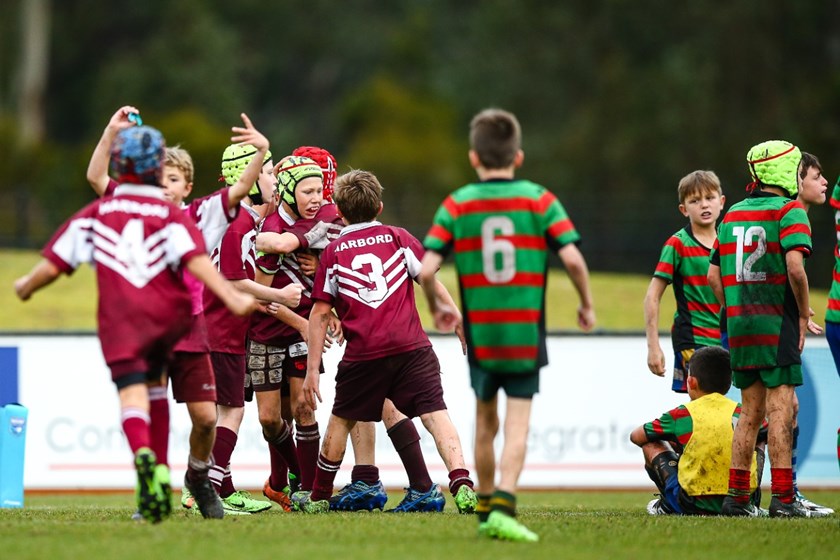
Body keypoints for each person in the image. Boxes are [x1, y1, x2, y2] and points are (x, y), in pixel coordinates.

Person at [14, 125, 257, 523]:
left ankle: (164, 469)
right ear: (153, 170)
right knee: (161, 401)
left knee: (150, 404)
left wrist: (26, 284)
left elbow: (59, 260)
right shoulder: (168, 217)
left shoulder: (99, 212)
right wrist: (230, 296)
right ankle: (155, 481)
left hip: (128, 327)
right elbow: (195, 259)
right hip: (172, 322)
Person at [87, 108, 293, 517]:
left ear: (188, 187)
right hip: (165, 329)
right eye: (159, 178)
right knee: (169, 406)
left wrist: (261, 153)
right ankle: (170, 488)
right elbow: (96, 179)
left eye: (174, 180)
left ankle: (200, 480)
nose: (165, 188)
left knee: (203, 416)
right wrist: (111, 132)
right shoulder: (135, 208)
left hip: (194, 328)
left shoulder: (202, 214)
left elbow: (238, 191)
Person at [420, 108, 595, 542]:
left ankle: (483, 508)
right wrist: (586, 304)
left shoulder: (457, 203)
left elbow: (425, 270)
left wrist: (437, 308)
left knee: (484, 422)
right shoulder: (540, 199)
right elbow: (572, 258)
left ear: (473, 158)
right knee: (517, 423)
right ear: (518, 157)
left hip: (481, 332)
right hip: (523, 332)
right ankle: (505, 506)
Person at [292, 169, 478, 516]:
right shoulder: (399, 237)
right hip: (412, 347)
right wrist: (457, 318)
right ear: (379, 206)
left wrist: (312, 373)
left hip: (365, 354)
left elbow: (319, 314)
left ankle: (317, 497)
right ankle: (462, 482)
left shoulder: (333, 253)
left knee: (340, 421)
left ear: (340, 212)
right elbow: (429, 281)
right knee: (436, 415)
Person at [180, 143, 304, 515]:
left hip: (220, 329)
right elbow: (233, 280)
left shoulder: (238, 219)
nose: (274, 180)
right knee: (230, 412)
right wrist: (279, 294)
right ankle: (203, 486)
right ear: (248, 181)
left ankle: (221, 486)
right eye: (267, 173)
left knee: (220, 413)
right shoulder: (239, 224)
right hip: (221, 331)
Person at [708, 140, 814, 518]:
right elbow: (796, 269)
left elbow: (713, 274)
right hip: (776, 323)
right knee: (781, 409)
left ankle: (737, 499)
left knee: (750, 411)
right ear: (786, 171)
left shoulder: (733, 213)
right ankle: (783, 499)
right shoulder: (790, 212)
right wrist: (802, 313)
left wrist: (735, 308)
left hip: (741, 328)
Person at [630, 346, 767, 515]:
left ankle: (668, 504)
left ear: (691, 381)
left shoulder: (681, 414)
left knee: (651, 443)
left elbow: (636, 436)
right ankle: (750, 504)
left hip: (693, 504)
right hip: (740, 499)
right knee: (759, 436)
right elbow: (768, 433)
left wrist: (677, 444)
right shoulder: (743, 413)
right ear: (730, 382)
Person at [644, 171, 724, 392]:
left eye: (710, 198)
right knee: (707, 408)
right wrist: (653, 347)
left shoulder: (730, 240)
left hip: (729, 339)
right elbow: (652, 296)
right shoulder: (677, 244)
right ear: (683, 209)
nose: (704, 205)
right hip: (694, 341)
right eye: (695, 201)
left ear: (722, 201)